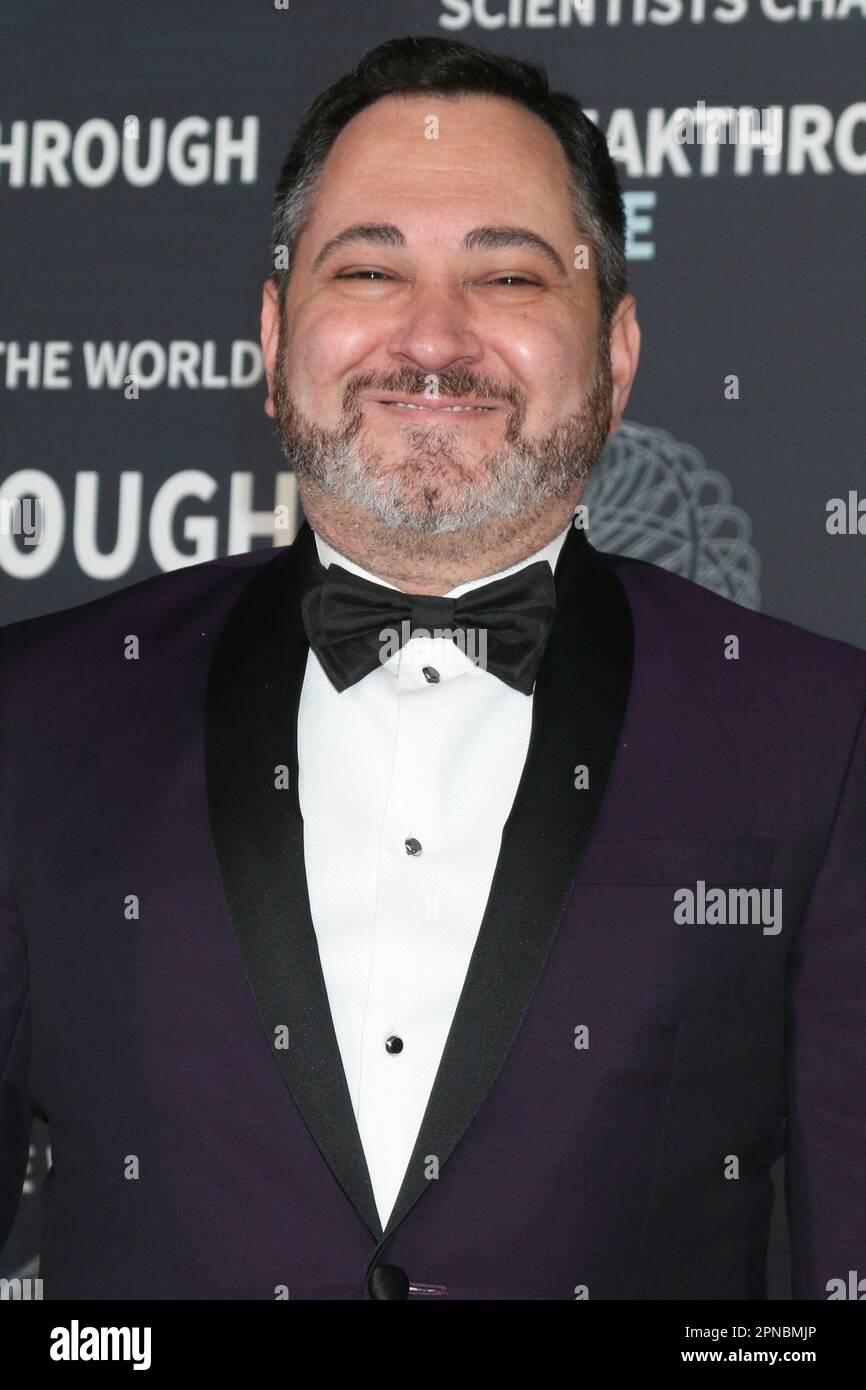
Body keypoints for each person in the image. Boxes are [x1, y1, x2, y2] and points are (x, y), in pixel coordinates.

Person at [1, 35, 864, 1301]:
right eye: (368, 267)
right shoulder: (35, 716)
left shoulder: (817, 732)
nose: (432, 339)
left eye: (508, 275)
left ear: (616, 356)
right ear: (271, 332)